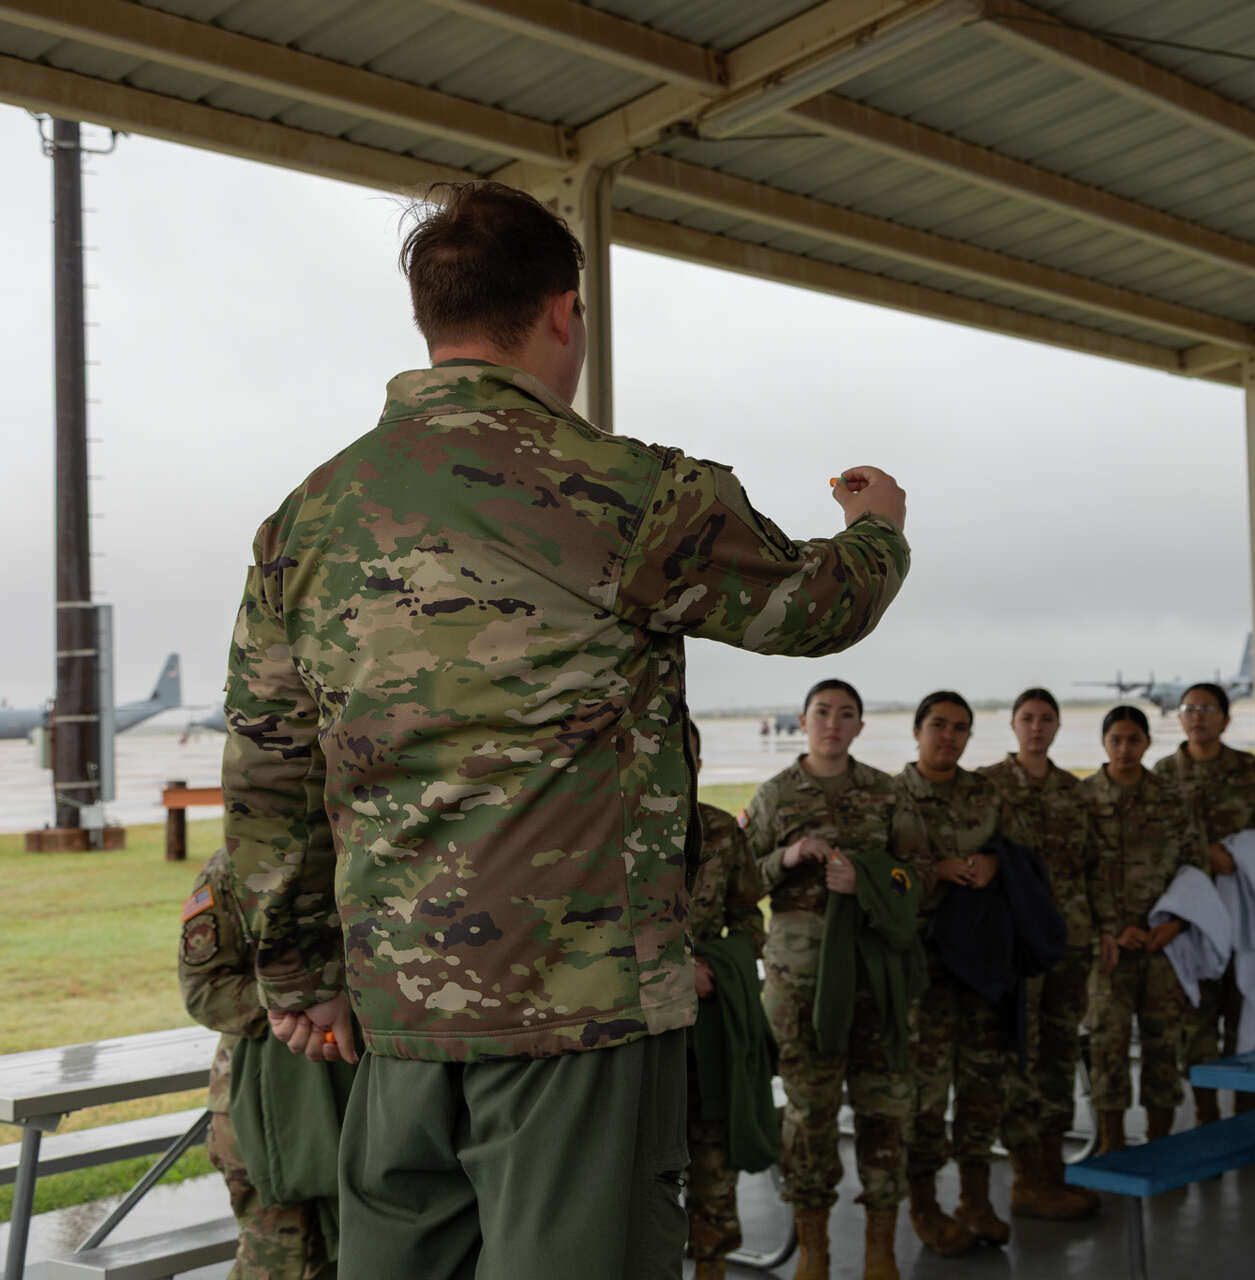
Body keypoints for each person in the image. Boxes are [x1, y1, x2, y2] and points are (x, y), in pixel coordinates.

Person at [221, 181, 911, 1280]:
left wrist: (299, 973)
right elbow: (817, 605)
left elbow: (268, 769)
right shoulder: (623, 490)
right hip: (576, 1011)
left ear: (431, 318)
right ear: (562, 313)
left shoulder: (306, 520)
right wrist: (876, 528)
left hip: (398, 1011)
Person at [747, 679, 917, 1280]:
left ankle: (880, 1249)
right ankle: (813, 1249)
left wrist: (866, 881)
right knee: (809, 1116)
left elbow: (915, 877)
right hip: (801, 984)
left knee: (884, 1111)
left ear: (860, 727)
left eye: (846, 714)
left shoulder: (886, 793)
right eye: (822, 712)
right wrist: (787, 858)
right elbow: (739, 881)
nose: (833, 724)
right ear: (802, 721)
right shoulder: (774, 796)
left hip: (874, 980)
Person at [890, 691, 1026, 1255]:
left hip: (980, 965)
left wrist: (995, 861)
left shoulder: (985, 793)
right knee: (924, 1092)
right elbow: (877, 875)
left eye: (960, 728)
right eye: (939, 725)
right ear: (917, 730)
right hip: (920, 968)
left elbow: (1022, 855)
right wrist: (933, 870)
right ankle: (924, 1203)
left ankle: (976, 1196)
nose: (949, 737)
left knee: (982, 1083)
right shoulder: (891, 797)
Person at [179, 850, 341, 1279]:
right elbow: (205, 990)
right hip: (264, 1105)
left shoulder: (368, 844)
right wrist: (302, 1003)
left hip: (351, 1094)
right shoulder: (236, 866)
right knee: (283, 1263)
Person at [979, 689, 1101, 1221]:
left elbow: (1092, 866)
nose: (1036, 727)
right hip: (1016, 945)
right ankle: (1027, 1174)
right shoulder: (987, 786)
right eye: (1027, 718)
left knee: (1060, 1052)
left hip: (1068, 941)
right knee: (1018, 1054)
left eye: (1046, 719)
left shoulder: (1074, 791)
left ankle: (1054, 1167)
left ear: (1057, 727)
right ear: (1012, 724)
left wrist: (1103, 930)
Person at [1150, 681, 1255, 1121]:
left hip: (1243, 908)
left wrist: (1245, 856)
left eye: (1207, 709)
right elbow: (1153, 841)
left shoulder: (1250, 771)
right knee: (1196, 1017)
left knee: (1244, 1005)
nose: (1196, 716)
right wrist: (1204, 854)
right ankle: (1206, 1111)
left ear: (1225, 718)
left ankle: (1247, 1108)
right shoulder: (1163, 775)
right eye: (1189, 708)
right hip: (1191, 916)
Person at [1083, 705, 1209, 1152]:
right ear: (1103, 743)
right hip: (1109, 948)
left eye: (1133, 740)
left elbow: (1195, 867)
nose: (1124, 749)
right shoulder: (1083, 799)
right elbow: (1073, 874)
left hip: (1163, 946)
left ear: (1147, 743)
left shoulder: (1172, 799)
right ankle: (1111, 1145)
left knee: (1164, 1044)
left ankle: (1160, 1143)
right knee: (1107, 1045)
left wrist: (1175, 923)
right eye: (1115, 740)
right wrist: (1110, 929)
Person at [685, 723, 772, 1280]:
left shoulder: (720, 831)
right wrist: (672, 973)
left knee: (712, 1153)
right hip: (636, 1035)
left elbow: (749, 922)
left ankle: (712, 1264)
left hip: (710, 1024)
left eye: (685, 754)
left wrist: (716, 966)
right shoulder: (611, 827)